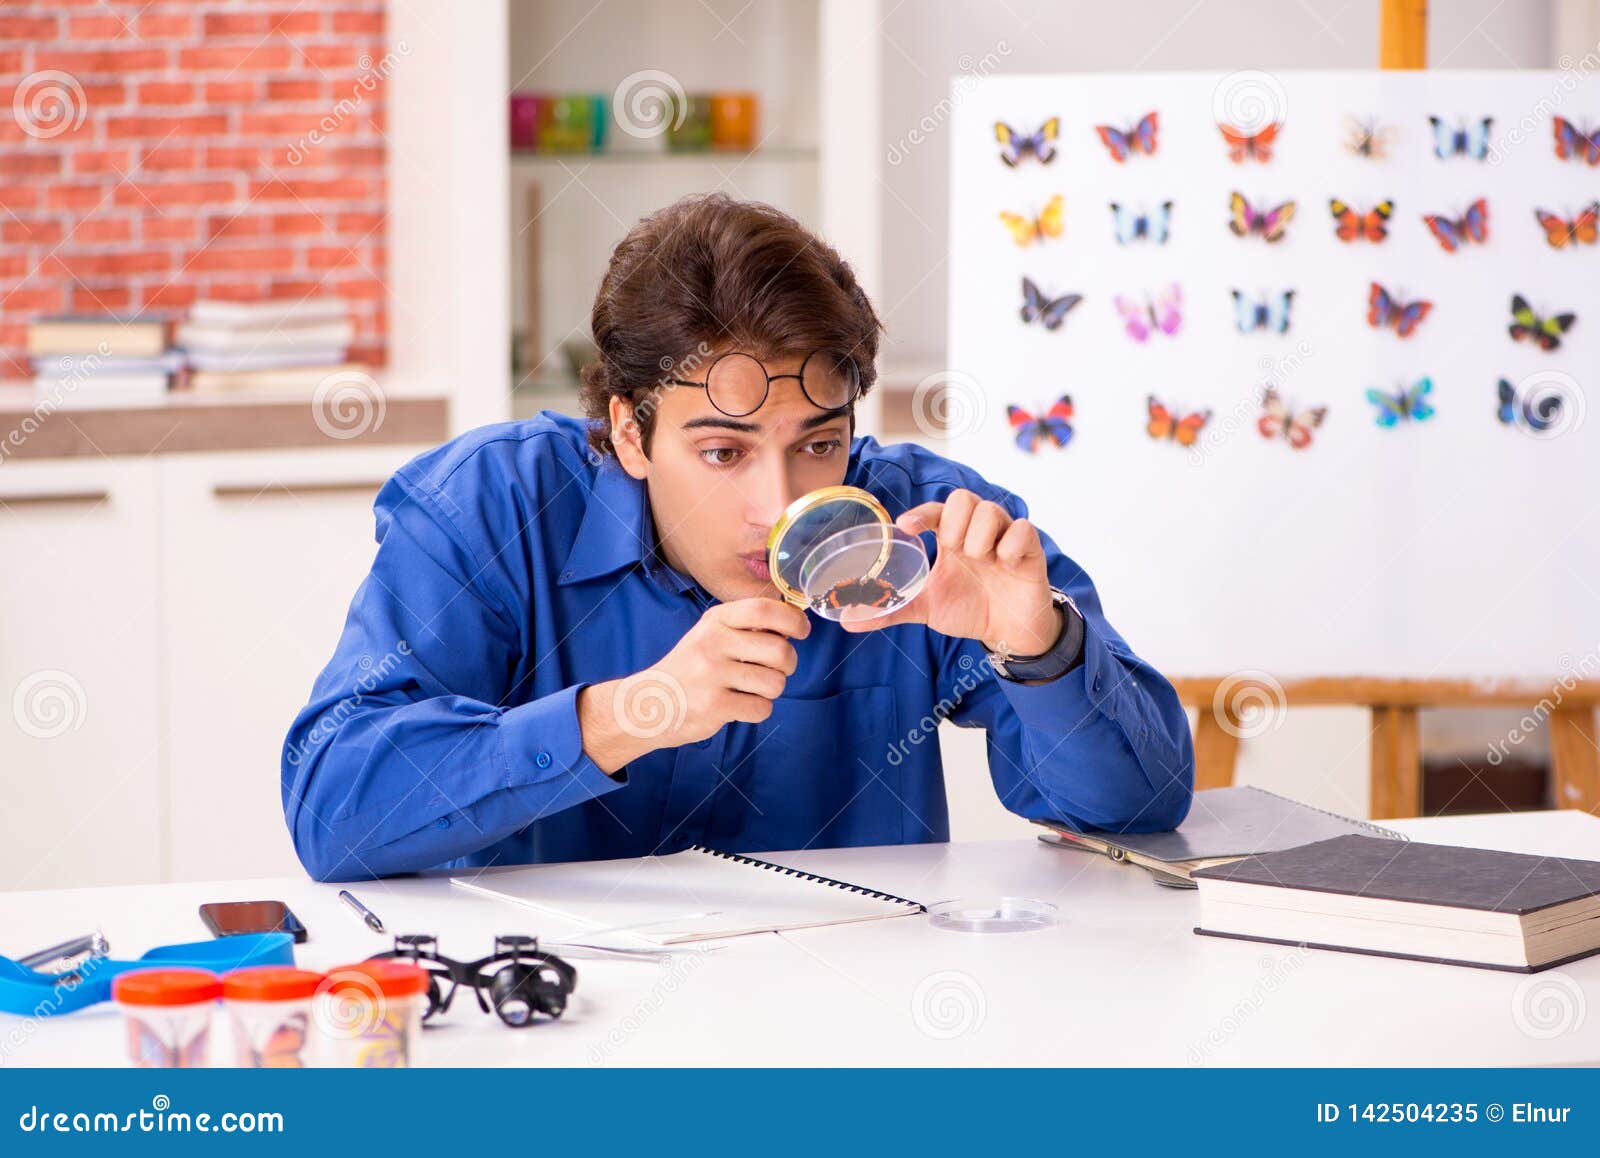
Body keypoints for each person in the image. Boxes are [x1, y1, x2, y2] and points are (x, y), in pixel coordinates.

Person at [282, 193, 1193, 882]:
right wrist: (623, 716)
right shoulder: (490, 507)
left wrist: (1039, 647)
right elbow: (334, 810)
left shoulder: (929, 525)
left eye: (818, 444)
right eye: (724, 452)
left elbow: (1142, 810)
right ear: (629, 433)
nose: (779, 506)